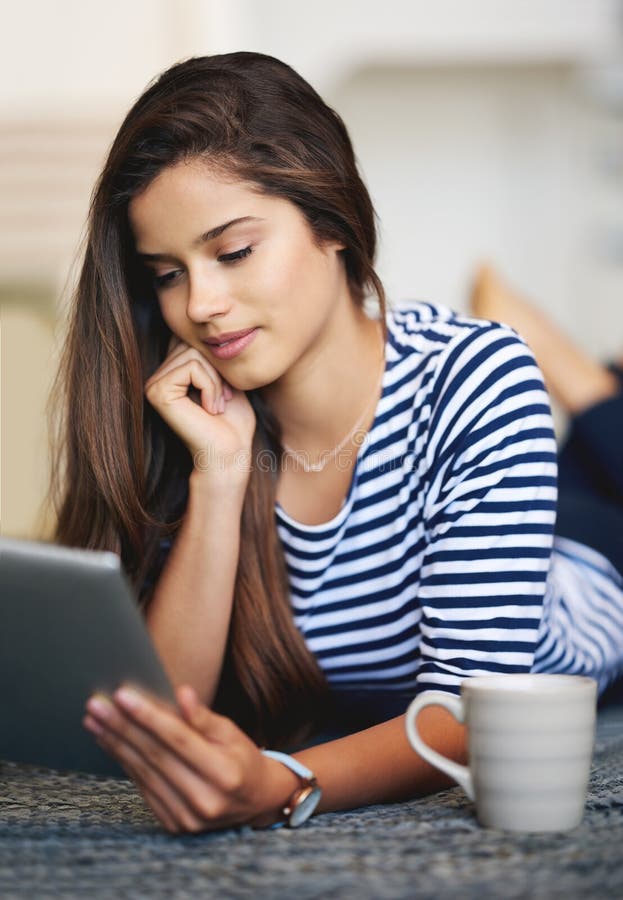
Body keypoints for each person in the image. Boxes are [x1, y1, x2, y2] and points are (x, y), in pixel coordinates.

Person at [48, 52, 623, 835]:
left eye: (233, 252)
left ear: (331, 222)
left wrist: (281, 783)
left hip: (591, 559)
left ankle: (572, 374)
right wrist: (220, 474)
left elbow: (468, 712)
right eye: (166, 273)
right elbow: (157, 721)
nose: (201, 305)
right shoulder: (194, 414)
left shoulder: (477, 374)